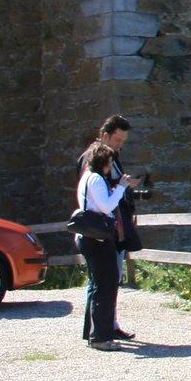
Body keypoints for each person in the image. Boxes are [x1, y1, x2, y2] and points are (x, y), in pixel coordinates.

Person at [75, 115, 142, 337]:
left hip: (111, 227)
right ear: (105, 136)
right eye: (117, 140)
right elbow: (101, 197)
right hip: (101, 230)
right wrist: (122, 186)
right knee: (102, 282)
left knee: (106, 280)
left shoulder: (109, 157)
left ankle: (104, 327)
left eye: (123, 141)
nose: (120, 145)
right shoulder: (93, 160)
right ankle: (98, 330)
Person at [75, 142, 125, 350]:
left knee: (99, 284)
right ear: (103, 162)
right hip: (97, 238)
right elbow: (106, 206)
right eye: (110, 161)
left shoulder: (87, 177)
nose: (111, 166)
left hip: (89, 237)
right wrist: (121, 187)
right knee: (105, 284)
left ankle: (94, 332)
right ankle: (101, 337)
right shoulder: (95, 178)